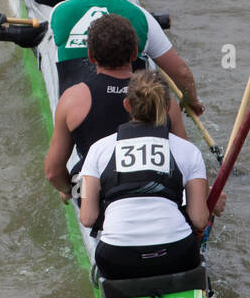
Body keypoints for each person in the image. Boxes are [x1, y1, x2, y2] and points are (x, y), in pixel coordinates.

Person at [78, 71, 224, 280]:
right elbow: (200, 220)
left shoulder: (98, 149)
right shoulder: (188, 151)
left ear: (127, 105)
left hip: (116, 258)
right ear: (167, 108)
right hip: (176, 255)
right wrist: (210, 203)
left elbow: (87, 217)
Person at [45, 16, 187, 202]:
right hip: (157, 194)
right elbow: (186, 164)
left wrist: (68, 190)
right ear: (135, 53)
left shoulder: (72, 99)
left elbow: (53, 172)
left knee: (76, 178)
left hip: (98, 199)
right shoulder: (163, 98)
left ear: (90, 56)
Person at [50, 0, 205, 112]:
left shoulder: (58, 12)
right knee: (172, 109)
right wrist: (191, 100)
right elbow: (181, 72)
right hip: (131, 115)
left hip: (76, 115)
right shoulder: (141, 16)